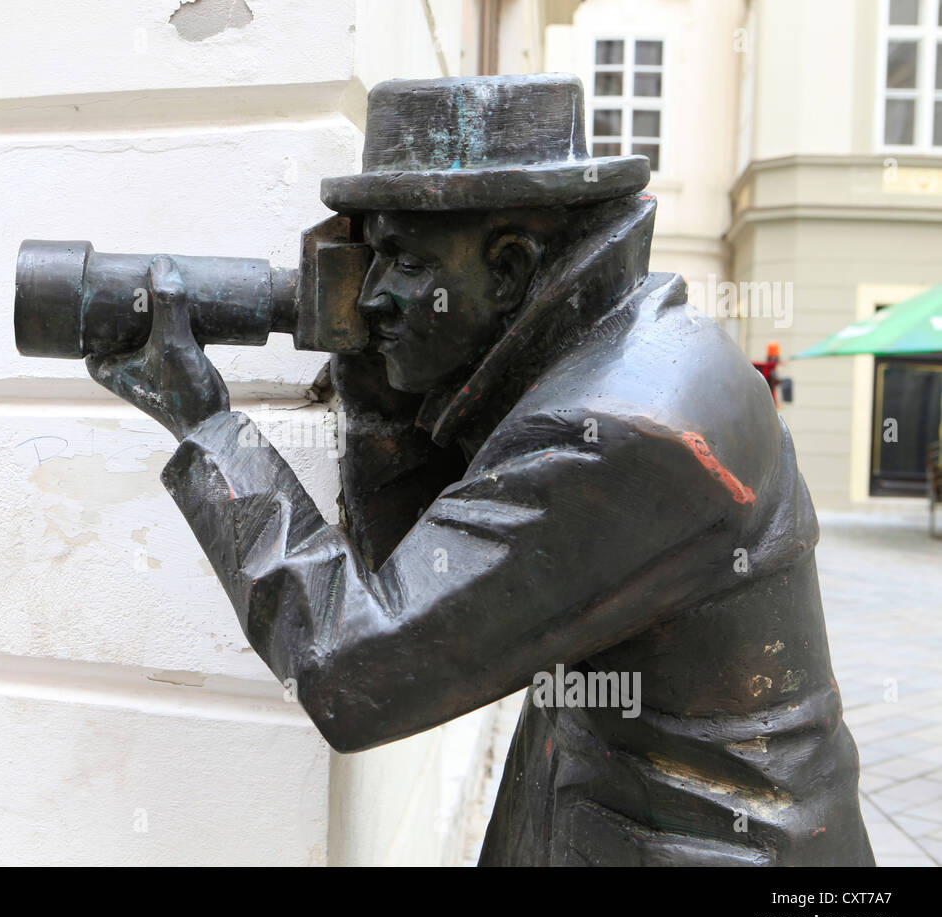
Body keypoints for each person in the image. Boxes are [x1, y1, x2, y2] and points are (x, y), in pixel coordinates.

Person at [87, 75, 875, 866]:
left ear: (507, 268)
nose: (371, 298)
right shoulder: (612, 353)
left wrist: (211, 429)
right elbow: (417, 580)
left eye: (399, 260)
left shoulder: (619, 432)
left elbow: (358, 668)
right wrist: (382, 401)